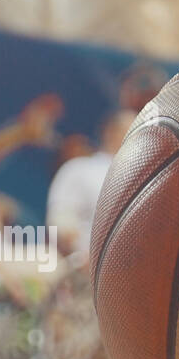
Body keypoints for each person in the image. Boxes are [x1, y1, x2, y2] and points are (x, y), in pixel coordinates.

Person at [46, 110, 135, 261]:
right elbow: (61, 221)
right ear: (111, 133)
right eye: (135, 129)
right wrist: (83, 254)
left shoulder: (151, 180)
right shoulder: (79, 169)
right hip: (88, 267)